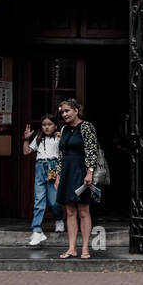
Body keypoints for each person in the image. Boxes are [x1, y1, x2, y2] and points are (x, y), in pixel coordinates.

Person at [54, 98, 99, 260]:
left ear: (76, 111)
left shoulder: (86, 127)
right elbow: (61, 155)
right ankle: (72, 248)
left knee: (83, 210)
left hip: (81, 170)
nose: (64, 114)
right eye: (62, 112)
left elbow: (92, 150)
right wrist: (58, 176)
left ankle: (85, 248)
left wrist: (90, 172)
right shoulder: (65, 129)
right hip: (66, 172)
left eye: (67, 111)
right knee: (70, 211)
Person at [23, 114, 65, 247]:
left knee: (54, 201)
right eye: (44, 125)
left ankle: (59, 219)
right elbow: (27, 151)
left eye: (49, 124)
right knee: (39, 201)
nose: (46, 127)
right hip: (40, 168)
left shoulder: (59, 139)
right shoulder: (38, 138)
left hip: (53, 167)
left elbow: (64, 154)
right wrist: (26, 139)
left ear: (55, 126)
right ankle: (37, 230)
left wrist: (62, 137)